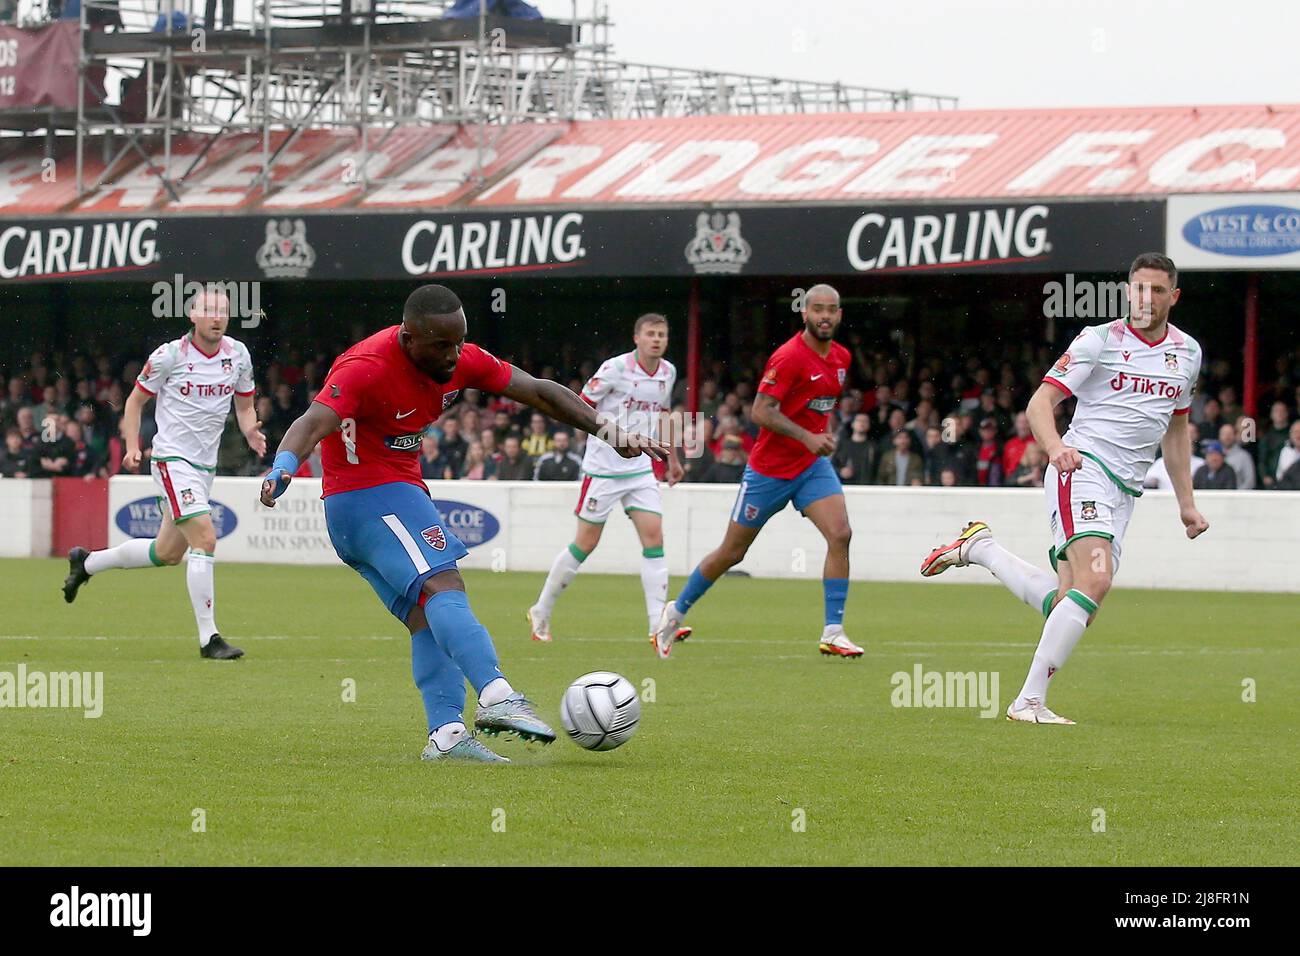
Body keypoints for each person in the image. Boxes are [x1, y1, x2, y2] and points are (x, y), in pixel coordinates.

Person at [259, 284, 666, 764]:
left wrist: (607, 429)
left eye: (459, 342)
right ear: (409, 338)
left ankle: (447, 735)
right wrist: (283, 464)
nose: (454, 356)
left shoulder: (458, 356)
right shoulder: (365, 367)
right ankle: (497, 695)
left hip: (388, 496)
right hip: (367, 497)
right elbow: (312, 421)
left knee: (428, 615)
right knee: (444, 583)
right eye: (441, 345)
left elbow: (538, 391)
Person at [921, 253, 1208, 725]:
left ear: (1173, 297)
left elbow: (1176, 430)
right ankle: (1028, 702)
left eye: (1158, 290)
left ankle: (983, 549)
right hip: (1083, 470)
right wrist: (1055, 447)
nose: (1147, 299)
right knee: (1096, 581)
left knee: (1071, 602)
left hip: (1124, 491)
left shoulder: (1188, 354)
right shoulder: (1099, 340)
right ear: (1127, 291)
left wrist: (1187, 504)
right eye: (1139, 288)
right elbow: (1040, 402)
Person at [653, 284, 862, 660]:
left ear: (840, 314)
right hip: (769, 471)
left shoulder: (842, 358)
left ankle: (834, 630)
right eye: (818, 309)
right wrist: (806, 436)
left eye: (832, 309)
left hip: (812, 467)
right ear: (805, 313)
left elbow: (815, 407)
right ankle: (675, 611)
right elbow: (761, 412)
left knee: (841, 533)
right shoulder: (789, 357)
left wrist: (819, 436)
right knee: (733, 552)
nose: (825, 316)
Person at [63, 288, 264, 660]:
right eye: (209, 310)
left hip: (205, 465)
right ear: (193, 314)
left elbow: (245, 404)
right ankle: (210, 639)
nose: (217, 317)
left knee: (168, 552)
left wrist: (251, 430)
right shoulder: (170, 356)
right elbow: (135, 401)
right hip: (173, 460)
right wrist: (132, 445)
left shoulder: (237, 355)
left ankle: (87, 562)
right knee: (205, 538)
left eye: (223, 311)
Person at [528, 314, 686, 644]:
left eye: (662, 334)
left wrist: (671, 458)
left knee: (654, 538)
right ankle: (541, 609)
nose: (657, 339)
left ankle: (657, 626)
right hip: (603, 469)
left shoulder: (668, 372)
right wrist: (612, 435)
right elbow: (581, 404)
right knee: (586, 543)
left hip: (641, 468)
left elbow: (665, 414)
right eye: (651, 334)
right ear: (637, 338)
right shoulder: (615, 368)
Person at [1143, 423, 1202, 490]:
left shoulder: (1200, 463)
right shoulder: (1161, 462)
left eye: (1187, 446)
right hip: (1165, 497)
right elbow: (1146, 480)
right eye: (1179, 445)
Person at [832, 412, 874, 485]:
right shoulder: (842, 444)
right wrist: (840, 471)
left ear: (869, 425)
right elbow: (832, 465)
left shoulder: (873, 447)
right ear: (852, 424)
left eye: (865, 421)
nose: (862, 423)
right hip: (846, 487)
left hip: (866, 488)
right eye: (859, 420)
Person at [1217, 422, 1255, 489]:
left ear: (1235, 436)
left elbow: (1250, 481)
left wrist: (1236, 495)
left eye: (1230, 434)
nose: (1227, 437)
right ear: (1219, 436)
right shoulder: (1213, 455)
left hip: (1238, 496)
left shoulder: (1244, 456)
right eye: (1224, 434)